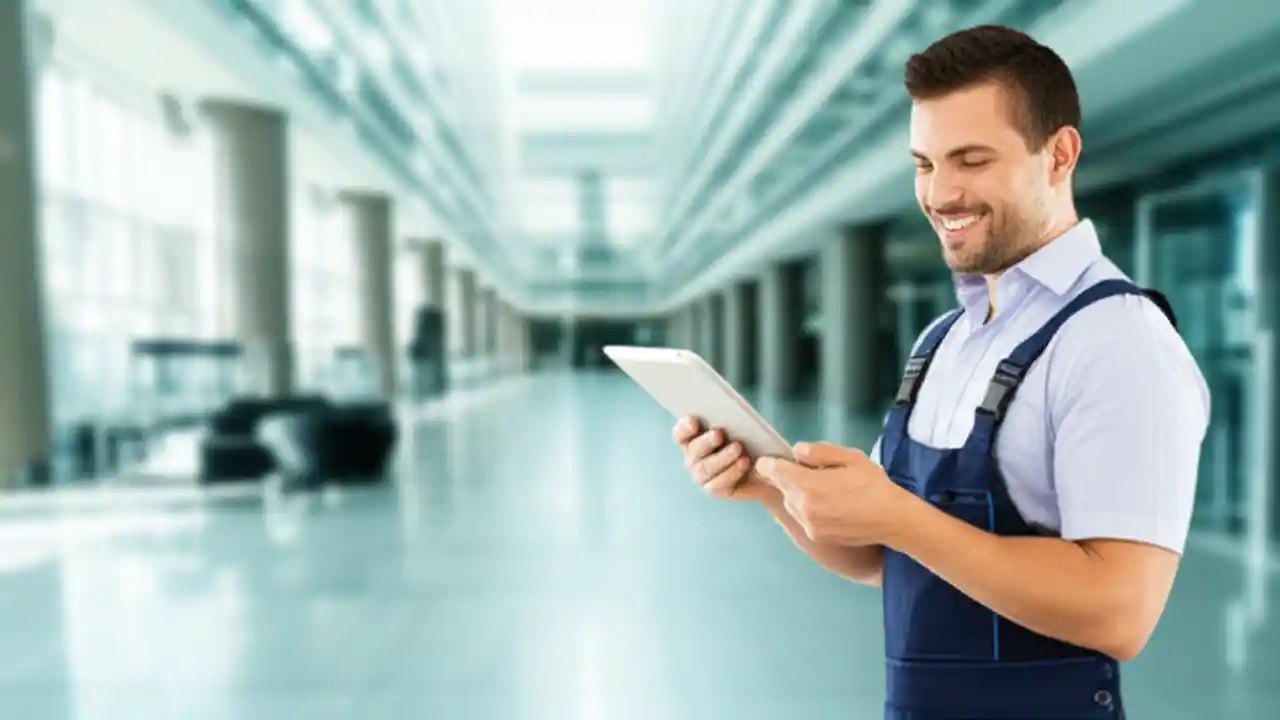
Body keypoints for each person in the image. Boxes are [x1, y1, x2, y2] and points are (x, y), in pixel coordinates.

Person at [672, 24, 1209, 720]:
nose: (940, 193)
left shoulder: (1116, 339)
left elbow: (1119, 611)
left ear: (1060, 156)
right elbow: (877, 557)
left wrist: (901, 516)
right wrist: (769, 487)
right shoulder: (943, 341)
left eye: (971, 160)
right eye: (924, 164)